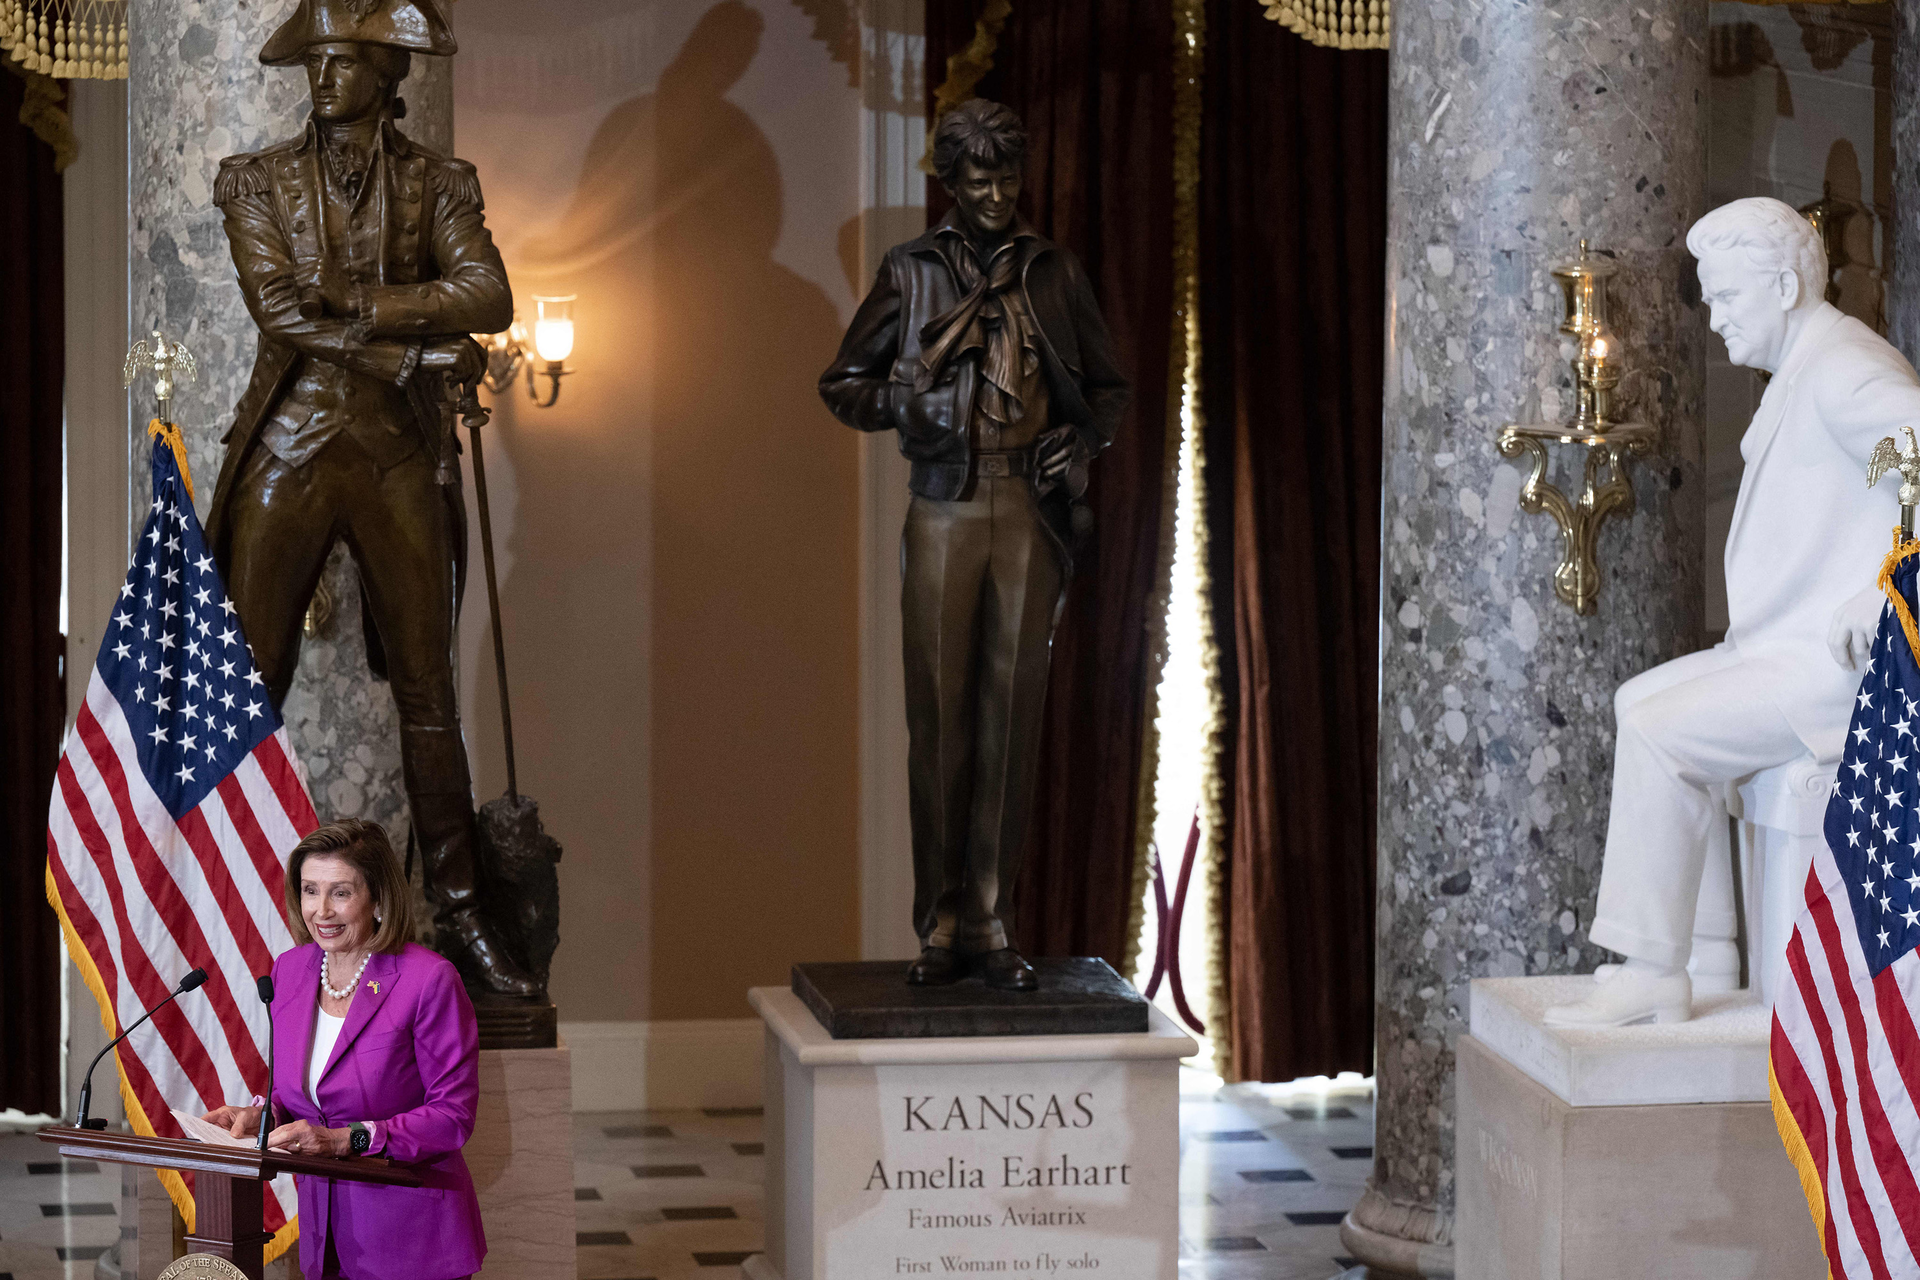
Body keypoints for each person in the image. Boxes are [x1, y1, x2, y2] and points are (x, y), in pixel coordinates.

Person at [204, 0, 536, 997]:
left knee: (430, 689)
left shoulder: (440, 182)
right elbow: (277, 308)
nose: (324, 76)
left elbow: (489, 295)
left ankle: (465, 916)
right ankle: (234, 925)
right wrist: (410, 346)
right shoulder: (255, 180)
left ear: (389, 74)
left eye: (345, 61)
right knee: (246, 688)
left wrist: (368, 304)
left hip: (397, 453)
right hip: (293, 442)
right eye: (316, 61)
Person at [1546, 197, 1920, 1027]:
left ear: (1785, 285)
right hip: (1779, 647)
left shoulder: (1844, 370)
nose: (1713, 319)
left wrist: (1888, 583)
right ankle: (1705, 950)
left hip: (1831, 665)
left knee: (1660, 731)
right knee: (1636, 703)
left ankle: (1652, 966)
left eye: (1727, 299)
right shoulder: (1804, 367)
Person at [819, 100, 1129, 990]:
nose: (994, 194)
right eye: (976, 179)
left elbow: (1107, 388)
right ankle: (938, 923)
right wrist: (904, 407)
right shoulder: (910, 271)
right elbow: (843, 384)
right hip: (945, 507)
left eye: (1006, 177)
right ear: (948, 182)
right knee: (941, 725)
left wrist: (1087, 440)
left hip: (1028, 509)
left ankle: (990, 923)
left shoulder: (1054, 273)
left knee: (1010, 722)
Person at [204, 819, 485, 1280]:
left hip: (412, 1239)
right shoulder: (292, 970)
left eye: (340, 892)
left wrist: (343, 1140)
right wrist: (265, 1116)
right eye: (310, 890)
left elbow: (453, 1117)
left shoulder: (427, 980)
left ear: (377, 898)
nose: (321, 911)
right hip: (325, 1236)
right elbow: (302, 1092)